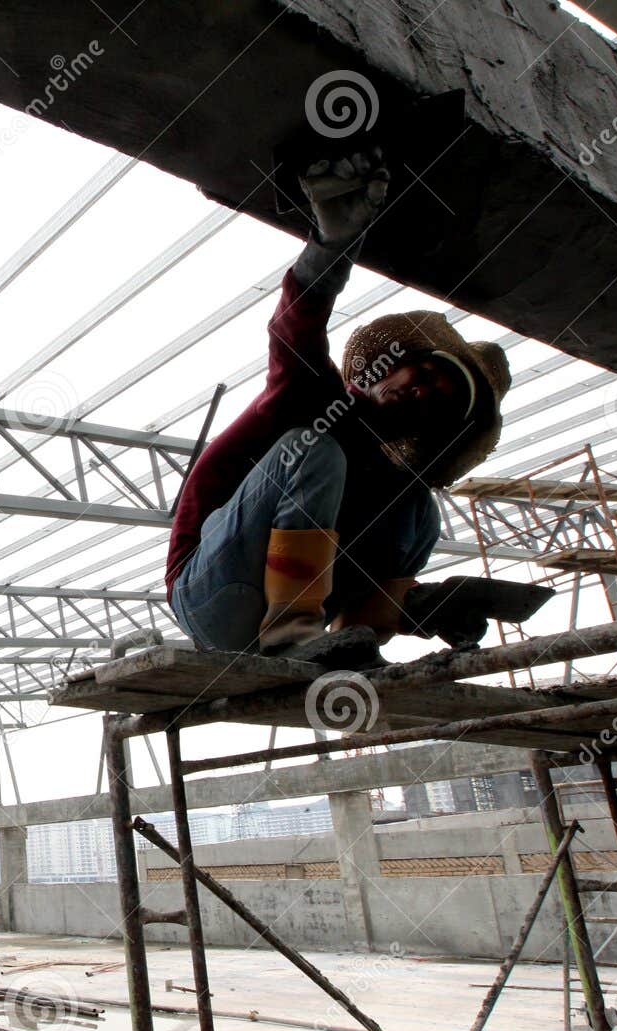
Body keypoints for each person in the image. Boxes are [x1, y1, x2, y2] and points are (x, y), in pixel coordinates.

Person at [166, 148, 510, 667]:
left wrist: (422, 607)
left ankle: (349, 648)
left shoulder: (390, 485)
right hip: (212, 594)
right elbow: (295, 325)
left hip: (290, 620)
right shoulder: (312, 396)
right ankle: (295, 632)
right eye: (425, 371)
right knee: (313, 450)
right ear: (395, 361)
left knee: (419, 511)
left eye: (441, 399)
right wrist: (333, 242)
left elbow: (355, 568)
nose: (423, 389)